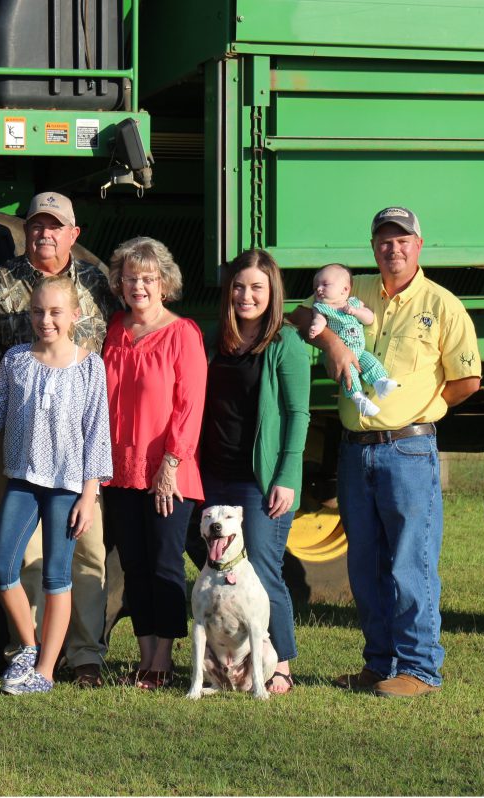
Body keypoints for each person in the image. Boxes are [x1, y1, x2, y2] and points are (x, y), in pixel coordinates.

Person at [293, 206, 481, 698]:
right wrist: (332, 342)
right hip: (357, 452)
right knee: (365, 565)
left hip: (408, 450)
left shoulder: (442, 305)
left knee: (409, 562)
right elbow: (296, 312)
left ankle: (420, 669)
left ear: (419, 245)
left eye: (402, 240)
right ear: (373, 246)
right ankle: (380, 664)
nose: (392, 248)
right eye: (383, 240)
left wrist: (420, 411)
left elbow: (467, 380)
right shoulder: (356, 291)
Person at [0, 191, 120, 687]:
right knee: (22, 559)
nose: (44, 233)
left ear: (74, 233)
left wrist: (92, 486)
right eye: (36, 225)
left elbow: (102, 409)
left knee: (84, 556)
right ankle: (25, 651)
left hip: (74, 457)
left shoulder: (98, 284)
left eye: (55, 226)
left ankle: (84, 654)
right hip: (21, 446)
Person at [187, 248, 311, 695]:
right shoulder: (215, 340)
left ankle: (282, 664)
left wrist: (288, 476)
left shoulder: (285, 344)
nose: (246, 295)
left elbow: (299, 413)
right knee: (206, 554)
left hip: (259, 480)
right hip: (212, 474)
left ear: (272, 292)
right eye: (239, 286)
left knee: (261, 565)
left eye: (257, 287)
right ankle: (228, 655)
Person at [0, 275, 113, 695]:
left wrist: (89, 495)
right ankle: (27, 646)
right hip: (22, 479)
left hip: (65, 486)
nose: (46, 320)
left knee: (57, 576)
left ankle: (45, 672)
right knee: (3, 567)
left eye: (56, 312)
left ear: (75, 316)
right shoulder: (16, 360)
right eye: (38, 312)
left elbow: (97, 433)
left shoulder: (89, 367)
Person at [102, 237, 206, 690]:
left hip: (168, 470)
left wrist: (170, 464)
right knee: (134, 565)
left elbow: (190, 404)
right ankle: (145, 657)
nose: (138, 286)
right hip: (120, 470)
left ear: (164, 283)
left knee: (165, 564)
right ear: (119, 284)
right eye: (130, 278)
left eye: (147, 278)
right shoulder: (114, 329)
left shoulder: (182, 333)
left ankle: (163, 661)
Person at [309, 263, 398, 417]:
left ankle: (380, 382)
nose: (319, 289)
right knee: (349, 373)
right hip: (343, 353)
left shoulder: (354, 303)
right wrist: (316, 327)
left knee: (370, 361)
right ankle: (358, 398)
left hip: (359, 350)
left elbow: (369, 318)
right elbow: (319, 321)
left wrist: (356, 312)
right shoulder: (321, 308)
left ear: (345, 289)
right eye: (316, 286)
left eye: (325, 285)